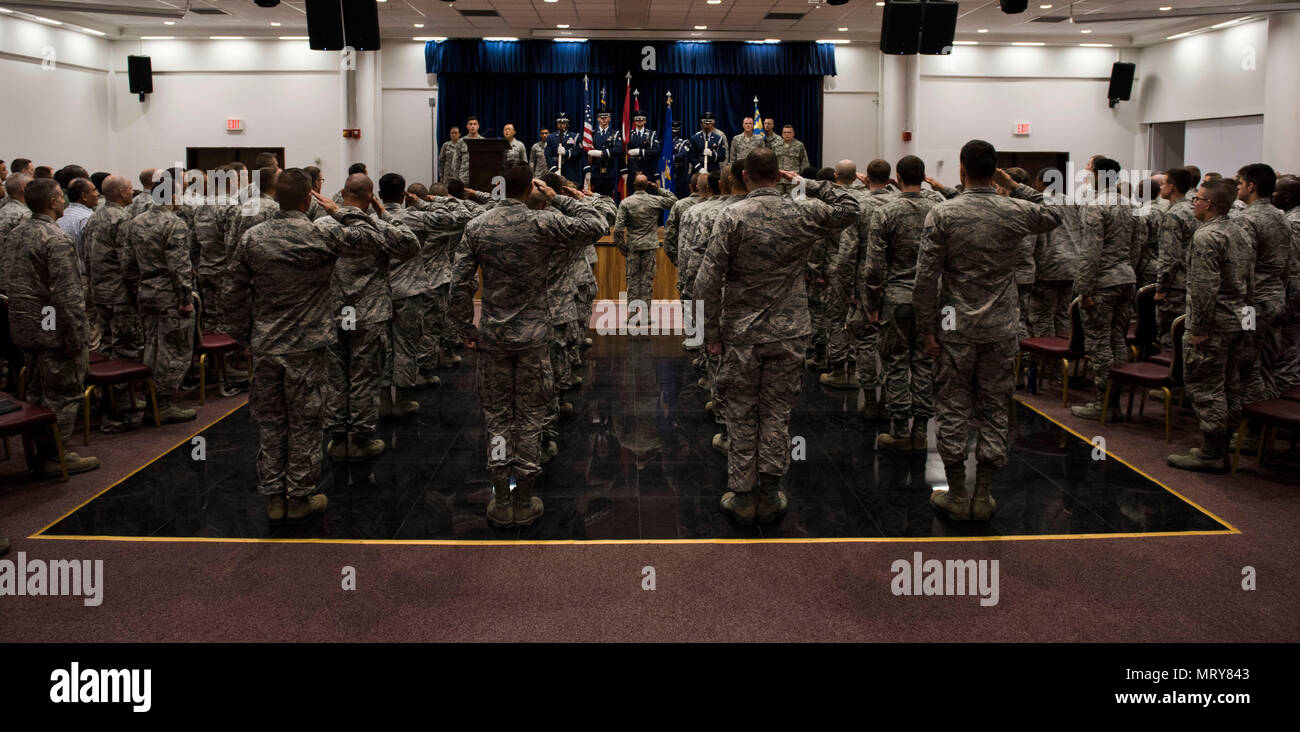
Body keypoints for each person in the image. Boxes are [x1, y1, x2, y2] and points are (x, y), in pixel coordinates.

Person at [695, 149, 859, 524]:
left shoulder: (732, 216)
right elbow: (851, 208)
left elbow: (707, 282)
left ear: (746, 176)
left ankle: (742, 494)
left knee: (740, 413)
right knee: (777, 413)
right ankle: (769, 492)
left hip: (741, 333)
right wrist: (810, 183)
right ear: (780, 176)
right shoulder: (803, 211)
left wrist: (710, 333)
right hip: (790, 332)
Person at [448, 165, 607, 528]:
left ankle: (501, 497)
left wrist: (464, 328)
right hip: (535, 336)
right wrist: (557, 197)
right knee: (532, 416)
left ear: (498, 188)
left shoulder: (478, 226)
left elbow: (460, 284)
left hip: (493, 336)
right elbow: (597, 224)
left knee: (498, 417)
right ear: (528, 189)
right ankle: (525, 495)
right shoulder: (543, 222)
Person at [227, 169, 390, 521]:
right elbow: (372, 238)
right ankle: (299, 495)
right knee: (305, 421)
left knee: (271, 422)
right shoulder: (321, 233)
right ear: (308, 199)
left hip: (267, 343)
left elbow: (234, 292)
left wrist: (244, 337)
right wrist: (338, 210)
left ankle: (274, 498)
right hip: (308, 345)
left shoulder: (253, 238)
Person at [913, 140, 1062, 521]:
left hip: (954, 327)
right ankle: (983, 495)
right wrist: (1011, 185)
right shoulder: (1014, 209)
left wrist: (927, 330)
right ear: (994, 170)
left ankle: (957, 493)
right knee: (995, 408)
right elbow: (1055, 212)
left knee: (951, 407)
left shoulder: (943, 214)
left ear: (961, 169)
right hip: (1001, 328)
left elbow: (925, 280)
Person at [5, 178, 99, 474]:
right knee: (63, 393)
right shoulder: (55, 239)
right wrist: (77, 337)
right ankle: (57, 455)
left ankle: (39, 450)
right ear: (52, 202)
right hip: (53, 330)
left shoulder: (17, 232)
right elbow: (67, 295)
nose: (63, 202)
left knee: (36, 392)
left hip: (26, 326)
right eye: (60, 197)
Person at [323, 174, 419, 461]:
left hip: (334, 312)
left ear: (342, 192)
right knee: (364, 377)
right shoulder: (377, 228)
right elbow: (411, 245)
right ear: (371, 197)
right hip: (369, 313)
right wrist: (382, 214)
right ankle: (361, 439)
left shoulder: (322, 225)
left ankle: (338, 439)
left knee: (336, 377)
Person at [1166, 179, 1256, 473]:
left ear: (1210, 205)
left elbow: (1205, 288)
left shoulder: (1207, 237)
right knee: (1230, 385)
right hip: (1237, 322)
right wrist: (1248, 325)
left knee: (1207, 387)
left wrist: (1200, 329)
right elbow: (1249, 286)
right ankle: (1222, 444)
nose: (1193, 203)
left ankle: (1211, 452)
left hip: (1213, 325)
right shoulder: (1241, 231)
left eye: (1198, 199)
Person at [864, 155, 939, 452]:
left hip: (896, 297)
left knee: (895, 364)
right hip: (932, 298)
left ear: (898, 176)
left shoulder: (886, 212)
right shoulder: (940, 210)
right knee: (923, 362)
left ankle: (898, 429)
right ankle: (921, 431)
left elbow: (874, 267)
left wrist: (872, 304)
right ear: (923, 176)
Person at [120, 168, 198, 424]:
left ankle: (152, 397)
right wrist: (185, 299)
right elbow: (179, 267)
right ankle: (162, 404)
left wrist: (138, 289)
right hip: (170, 296)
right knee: (174, 350)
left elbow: (128, 266)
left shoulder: (136, 222)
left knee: (151, 349)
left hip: (147, 292)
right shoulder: (174, 223)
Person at [1069, 157, 1140, 422]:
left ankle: (1103, 402)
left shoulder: (1096, 206)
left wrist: (1084, 290)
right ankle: (1115, 399)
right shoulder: (1130, 205)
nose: (1086, 177)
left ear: (1099, 176)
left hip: (1102, 283)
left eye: (1089, 172)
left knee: (1099, 343)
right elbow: (1136, 247)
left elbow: (1090, 253)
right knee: (1117, 340)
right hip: (1125, 278)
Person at [83, 175, 142, 432]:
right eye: (129, 189)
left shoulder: (94, 216)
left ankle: (107, 399)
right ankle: (120, 409)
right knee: (126, 348)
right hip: (119, 295)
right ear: (120, 193)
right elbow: (127, 263)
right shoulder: (122, 219)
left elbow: (86, 255)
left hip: (100, 291)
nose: (132, 193)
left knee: (107, 346)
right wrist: (137, 292)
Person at [1233, 163, 1290, 403]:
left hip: (1252, 304)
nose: (1238, 187)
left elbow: (1241, 268)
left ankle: (1250, 429)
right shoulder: (1281, 215)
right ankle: (1264, 428)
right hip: (1276, 297)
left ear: (1251, 186)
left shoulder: (1247, 220)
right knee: (1268, 361)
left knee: (1246, 364)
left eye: (1240, 183)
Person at [613, 174, 677, 330]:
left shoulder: (626, 203)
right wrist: (659, 189)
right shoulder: (654, 200)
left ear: (633, 185)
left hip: (633, 247)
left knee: (633, 280)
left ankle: (633, 314)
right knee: (647, 280)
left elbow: (618, 230)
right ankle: (646, 314)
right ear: (647, 185)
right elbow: (674, 202)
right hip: (649, 246)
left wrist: (623, 248)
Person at [1028, 166, 1078, 339]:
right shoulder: (1072, 202)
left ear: (1041, 183)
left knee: (1042, 317)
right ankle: (1063, 357)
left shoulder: (1039, 203)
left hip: (1048, 265)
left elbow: (1032, 238)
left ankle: (1047, 362)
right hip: (1072, 265)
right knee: (1063, 314)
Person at [1153, 167, 1196, 352]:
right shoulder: (1194, 208)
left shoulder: (1173, 214)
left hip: (1175, 285)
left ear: (1172, 188)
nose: (1160, 188)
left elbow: (1169, 256)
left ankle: (1170, 377)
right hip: (1192, 281)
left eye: (1163, 184)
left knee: (1169, 337)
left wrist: (1161, 288)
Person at [588, 105, 623, 198]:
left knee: (608, 198)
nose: (603, 119)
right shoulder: (592, 134)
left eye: (606, 117)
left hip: (609, 171)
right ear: (598, 119)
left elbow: (618, 149)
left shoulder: (615, 134)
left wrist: (602, 153)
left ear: (609, 119)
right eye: (601, 117)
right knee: (595, 198)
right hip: (596, 171)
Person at [625, 110, 661, 191]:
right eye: (637, 119)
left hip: (647, 169)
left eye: (641, 119)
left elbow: (656, 151)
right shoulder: (629, 134)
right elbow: (624, 152)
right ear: (634, 121)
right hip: (633, 170)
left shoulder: (652, 134)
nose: (639, 121)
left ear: (645, 121)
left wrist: (640, 152)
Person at [545, 112, 584, 183]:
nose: (561, 125)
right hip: (556, 169)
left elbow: (579, 154)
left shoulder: (575, 136)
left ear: (567, 124)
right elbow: (548, 155)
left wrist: (566, 153)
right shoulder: (551, 137)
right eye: (559, 123)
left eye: (564, 123)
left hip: (570, 170)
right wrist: (554, 169)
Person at [456, 116, 484, 183]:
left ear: (478, 126)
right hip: (464, 177)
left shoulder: (483, 141)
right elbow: (456, 161)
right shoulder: (461, 141)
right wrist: (457, 179)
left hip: (479, 176)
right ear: (467, 126)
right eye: (470, 124)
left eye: (475, 124)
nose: (473, 126)